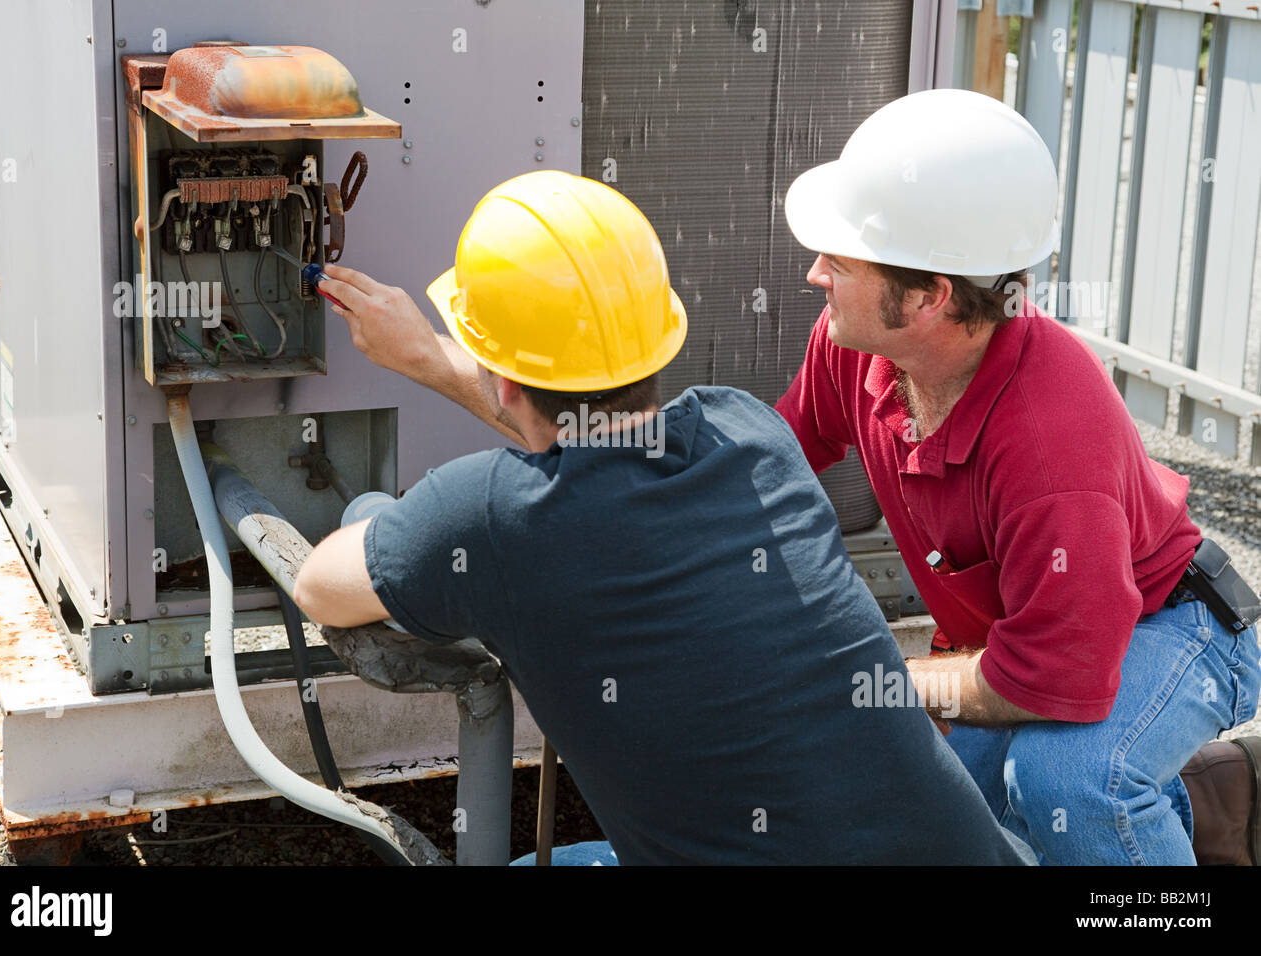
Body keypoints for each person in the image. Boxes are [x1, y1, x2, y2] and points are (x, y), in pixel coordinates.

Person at [293, 169, 1036, 864]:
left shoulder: (486, 517)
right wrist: (432, 360)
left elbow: (319, 586)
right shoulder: (749, 432)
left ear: (502, 380)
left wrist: (391, 521)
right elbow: (596, 453)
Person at [775, 87, 1261, 865]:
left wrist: (887, 682)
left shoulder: (1048, 436)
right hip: (1033, 638)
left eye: (839, 257)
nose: (814, 274)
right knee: (938, 811)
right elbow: (772, 462)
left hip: (1174, 629)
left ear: (930, 296)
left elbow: (1048, 678)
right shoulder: (857, 346)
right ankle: (1217, 807)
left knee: (1067, 778)